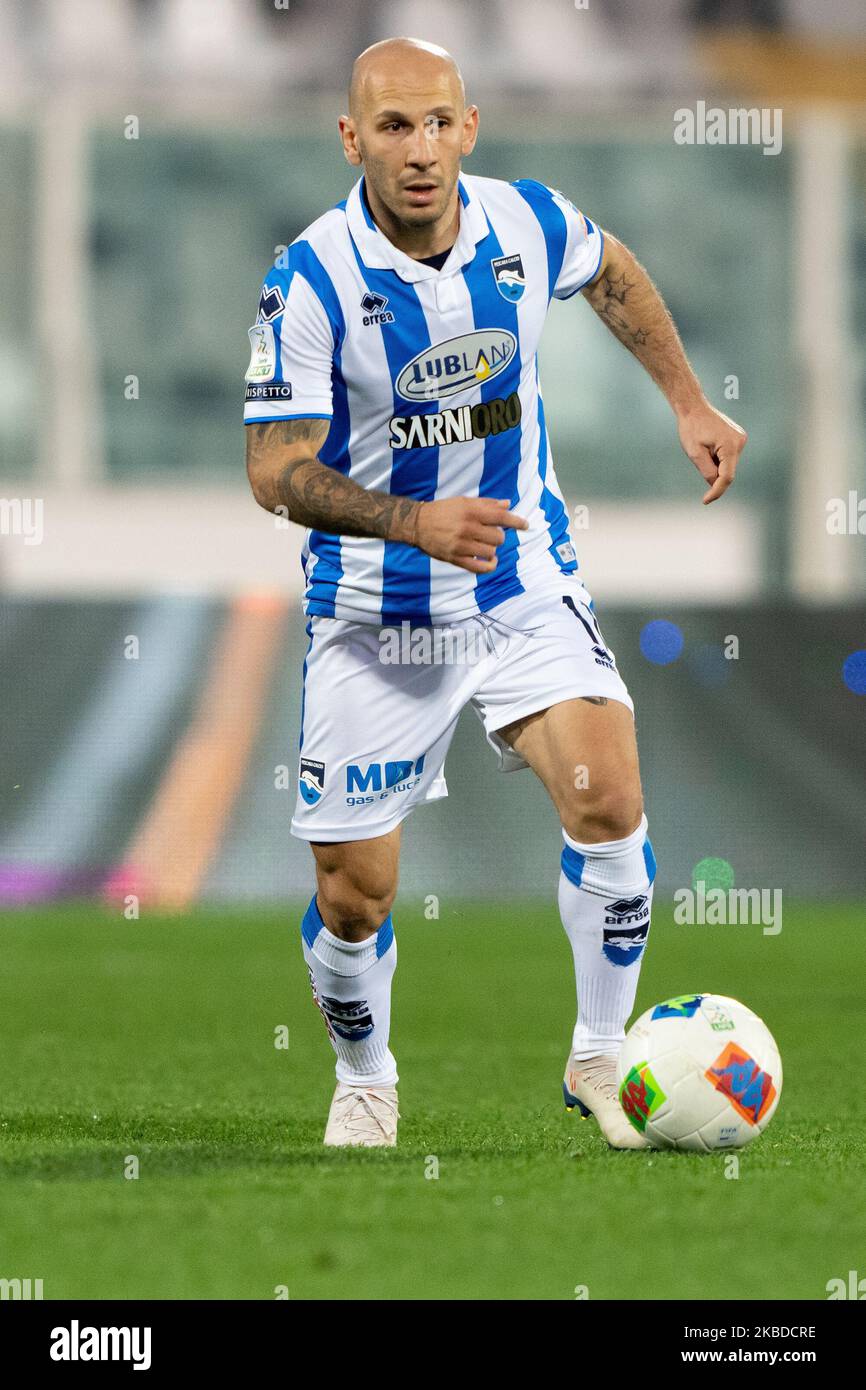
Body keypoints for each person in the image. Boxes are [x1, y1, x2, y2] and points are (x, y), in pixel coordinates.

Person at [244, 37, 747, 1149]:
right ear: (351, 137)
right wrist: (413, 520)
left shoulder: (523, 221)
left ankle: (602, 1055)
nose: (417, 151)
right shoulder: (313, 277)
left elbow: (609, 268)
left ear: (468, 128)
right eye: (391, 127)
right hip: (375, 616)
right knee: (351, 896)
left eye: (436, 123)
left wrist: (686, 401)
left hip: (518, 581)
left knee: (607, 794)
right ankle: (365, 1073)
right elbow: (273, 468)